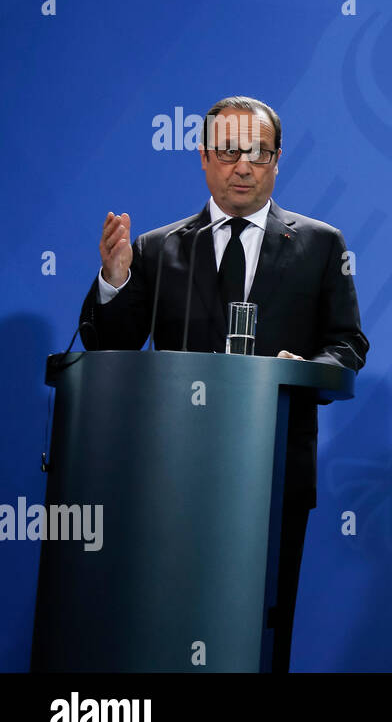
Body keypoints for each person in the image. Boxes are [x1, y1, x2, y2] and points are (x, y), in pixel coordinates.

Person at [78, 95, 369, 672]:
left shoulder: (320, 245)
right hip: (171, 472)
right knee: (167, 616)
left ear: (277, 161)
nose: (243, 165)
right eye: (230, 151)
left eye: (258, 153)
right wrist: (114, 282)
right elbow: (107, 344)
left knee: (263, 621)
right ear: (205, 158)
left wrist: (301, 366)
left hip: (274, 468)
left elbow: (349, 345)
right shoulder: (160, 248)